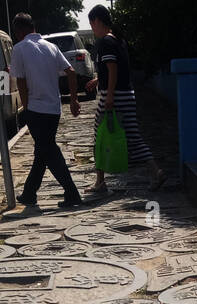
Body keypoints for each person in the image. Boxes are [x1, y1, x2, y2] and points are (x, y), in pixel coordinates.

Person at [85, 4, 165, 194]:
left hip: (114, 97)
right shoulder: (118, 40)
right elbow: (115, 69)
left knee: (100, 137)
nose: (92, 28)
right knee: (133, 137)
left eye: (92, 23)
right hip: (126, 95)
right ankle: (156, 172)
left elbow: (112, 69)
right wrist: (98, 80)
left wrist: (109, 95)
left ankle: (100, 182)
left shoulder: (105, 42)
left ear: (96, 21)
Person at [8, 12, 84, 209]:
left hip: (36, 108)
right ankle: (29, 193)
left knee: (49, 150)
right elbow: (71, 72)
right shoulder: (51, 47)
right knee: (42, 150)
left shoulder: (19, 49)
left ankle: (72, 192)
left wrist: (26, 108)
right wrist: (74, 99)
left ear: (19, 31)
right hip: (54, 108)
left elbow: (21, 82)